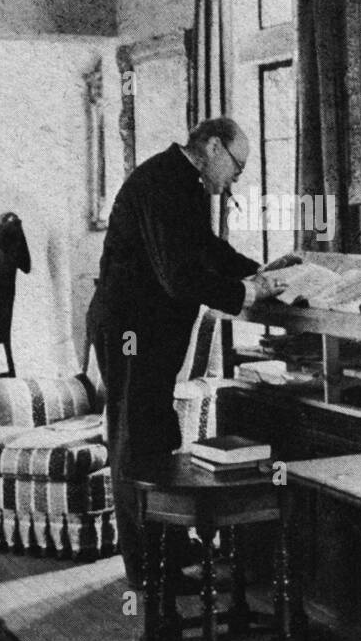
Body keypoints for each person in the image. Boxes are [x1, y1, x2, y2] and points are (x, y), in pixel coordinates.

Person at [86, 117, 294, 587]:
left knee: (155, 430)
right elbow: (179, 278)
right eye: (237, 167)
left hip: (143, 330)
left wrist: (264, 271)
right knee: (135, 439)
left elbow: (206, 249)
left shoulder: (181, 181)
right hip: (130, 330)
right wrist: (246, 292)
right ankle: (148, 570)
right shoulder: (165, 182)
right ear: (214, 147)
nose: (236, 179)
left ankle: (168, 552)